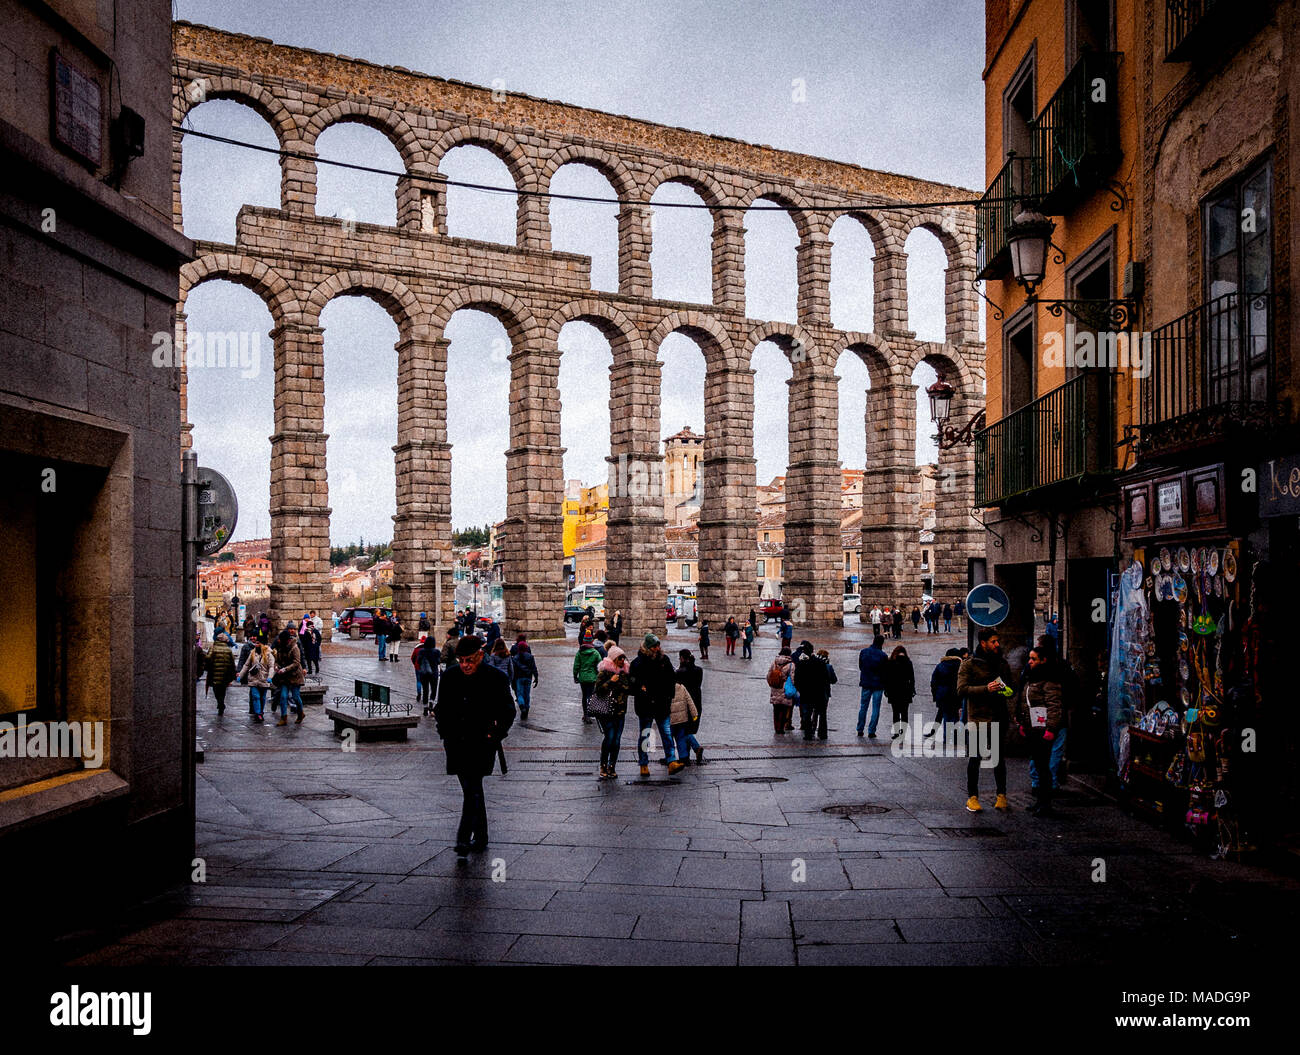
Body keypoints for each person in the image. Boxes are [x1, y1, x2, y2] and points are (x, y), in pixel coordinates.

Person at [434, 634, 516, 856]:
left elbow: (509, 711)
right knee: (472, 789)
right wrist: (444, 731)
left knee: (472, 789)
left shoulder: (496, 678)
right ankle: (481, 836)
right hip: (456, 743)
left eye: (469, 660)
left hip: (483, 743)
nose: (465, 665)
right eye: (461, 661)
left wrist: (496, 735)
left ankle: (463, 838)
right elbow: (440, 708)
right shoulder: (450, 676)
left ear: (481, 655)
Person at [957, 628, 1014, 812]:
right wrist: (985, 689)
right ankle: (972, 797)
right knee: (975, 759)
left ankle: (1002, 796)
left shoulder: (1002, 664)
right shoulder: (969, 664)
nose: (997, 644)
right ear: (983, 643)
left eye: (997, 641)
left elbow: (1010, 690)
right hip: (978, 719)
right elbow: (962, 690)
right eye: (993, 641)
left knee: (998, 759)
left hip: (998, 716)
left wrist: (1005, 689)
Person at [1016, 645, 1065, 817]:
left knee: (1044, 767)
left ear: (1043, 660)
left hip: (1043, 728)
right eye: (1030, 658)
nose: (1030, 661)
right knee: (1038, 765)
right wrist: (1023, 723)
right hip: (1032, 728)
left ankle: (1046, 803)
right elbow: (1025, 703)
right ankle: (1040, 801)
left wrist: (1051, 728)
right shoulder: (1031, 677)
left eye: (1033, 659)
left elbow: (1054, 705)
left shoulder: (1050, 680)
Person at [631, 634, 681, 775]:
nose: (657, 648)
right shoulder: (638, 662)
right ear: (648, 647)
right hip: (645, 705)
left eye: (658, 645)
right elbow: (632, 681)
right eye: (654, 646)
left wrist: (669, 695)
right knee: (646, 735)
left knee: (666, 733)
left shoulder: (664, 660)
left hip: (662, 704)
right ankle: (644, 764)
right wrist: (640, 689)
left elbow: (672, 678)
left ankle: (671, 761)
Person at [593, 645, 631, 778]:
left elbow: (629, 688)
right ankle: (603, 766)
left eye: (623, 658)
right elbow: (598, 690)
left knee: (617, 740)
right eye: (620, 658)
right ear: (614, 658)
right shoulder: (604, 672)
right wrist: (611, 681)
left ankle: (612, 766)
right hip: (607, 712)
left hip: (621, 712)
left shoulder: (625, 672)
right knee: (609, 738)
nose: (622, 661)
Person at [793, 640, 830, 741]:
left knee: (807, 714)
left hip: (807, 693)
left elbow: (797, 680)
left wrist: (801, 690)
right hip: (819, 692)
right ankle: (822, 734)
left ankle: (808, 734)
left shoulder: (801, 664)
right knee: (822, 714)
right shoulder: (821, 663)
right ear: (812, 651)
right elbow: (826, 678)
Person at [675, 649, 705, 764]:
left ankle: (695, 748)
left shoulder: (680, 672)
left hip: (684, 703)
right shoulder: (699, 670)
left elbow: (677, 687)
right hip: (697, 702)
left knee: (683, 729)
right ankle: (686, 756)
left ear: (682, 658)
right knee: (688, 728)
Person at [271, 625, 305, 726]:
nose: (279, 642)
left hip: (295, 675)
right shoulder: (280, 647)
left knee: (295, 696)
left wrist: (285, 669)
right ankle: (283, 717)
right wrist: (276, 666)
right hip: (284, 676)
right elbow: (277, 660)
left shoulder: (294, 647)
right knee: (283, 696)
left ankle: (300, 712)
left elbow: (296, 662)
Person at [857, 634, 888, 738]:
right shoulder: (883, 656)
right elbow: (885, 671)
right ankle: (871, 731)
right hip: (878, 684)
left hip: (866, 682)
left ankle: (860, 729)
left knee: (863, 707)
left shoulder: (864, 652)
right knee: (876, 708)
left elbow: (861, 666)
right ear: (882, 643)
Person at [928, 648, 964, 736]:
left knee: (946, 716)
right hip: (956, 695)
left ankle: (947, 737)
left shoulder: (941, 665)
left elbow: (933, 682)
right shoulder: (961, 665)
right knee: (955, 716)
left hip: (943, 695)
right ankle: (955, 737)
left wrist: (935, 694)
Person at [237, 638, 274, 723]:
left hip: (264, 679)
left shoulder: (269, 654)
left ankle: (261, 711)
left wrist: (270, 677)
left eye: (258, 643)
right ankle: (258, 714)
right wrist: (241, 675)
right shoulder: (252, 653)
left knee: (262, 697)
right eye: (256, 643)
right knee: (255, 696)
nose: (256, 645)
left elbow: (271, 667)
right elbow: (246, 665)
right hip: (253, 678)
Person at [885, 645, 915, 738]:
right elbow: (912, 678)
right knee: (905, 713)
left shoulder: (891, 662)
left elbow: (887, 678)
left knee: (896, 713)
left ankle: (896, 732)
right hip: (905, 690)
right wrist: (912, 689)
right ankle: (903, 733)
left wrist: (886, 689)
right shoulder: (908, 662)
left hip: (894, 690)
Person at [205, 632, 237, 715]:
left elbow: (208, 659)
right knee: (223, 690)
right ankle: (221, 702)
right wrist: (233, 675)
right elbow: (232, 664)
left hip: (214, 674)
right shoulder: (228, 650)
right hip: (225, 676)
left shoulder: (213, 648)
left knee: (216, 690)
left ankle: (220, 703)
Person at [767, 647, 795, 735]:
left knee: (776, 709)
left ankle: (776, 727)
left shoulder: (774, 662)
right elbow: (793, 678)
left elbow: (768, 675)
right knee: (783, 709)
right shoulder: (791, 664)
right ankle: (781, 728)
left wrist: (772, 684)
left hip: (775, 688)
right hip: (784, 689)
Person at [573, 635, 602, 723]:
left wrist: (575, 676)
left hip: (583, 678)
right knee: (590, 695)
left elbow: (576, 666)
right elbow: (600, 665)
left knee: (584, 696)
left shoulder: (580, 653)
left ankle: (585, 714)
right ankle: (590, 715)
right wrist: (598, 675)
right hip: (592, 678)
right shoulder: (595, 653)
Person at [509, 638, 539, 720]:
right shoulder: (530, 657)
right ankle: (527, 708)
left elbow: (513, 670)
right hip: (528, 677)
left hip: (519, 677)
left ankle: (522, 707)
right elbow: (534, 668)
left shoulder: (515, 658)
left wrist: (512, 679)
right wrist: (536, 677)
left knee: (520, 694)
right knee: (527, 694)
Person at [411, 634, 440, 715]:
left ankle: (425, 708)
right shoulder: (436, 651)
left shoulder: (421, 651)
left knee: (425, 690)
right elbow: (438, 662)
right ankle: (431, 703)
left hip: (423, 673)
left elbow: (418, 661)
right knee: (433, 689)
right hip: (434, 673)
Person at [812, 649, 836, 740]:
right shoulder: (828, 666)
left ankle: (812, 729)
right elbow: (834, 680)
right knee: (823, 713)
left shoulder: (813, 664)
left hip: (814, 691)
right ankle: (822, 733)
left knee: (815, 711)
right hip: (824, 692)